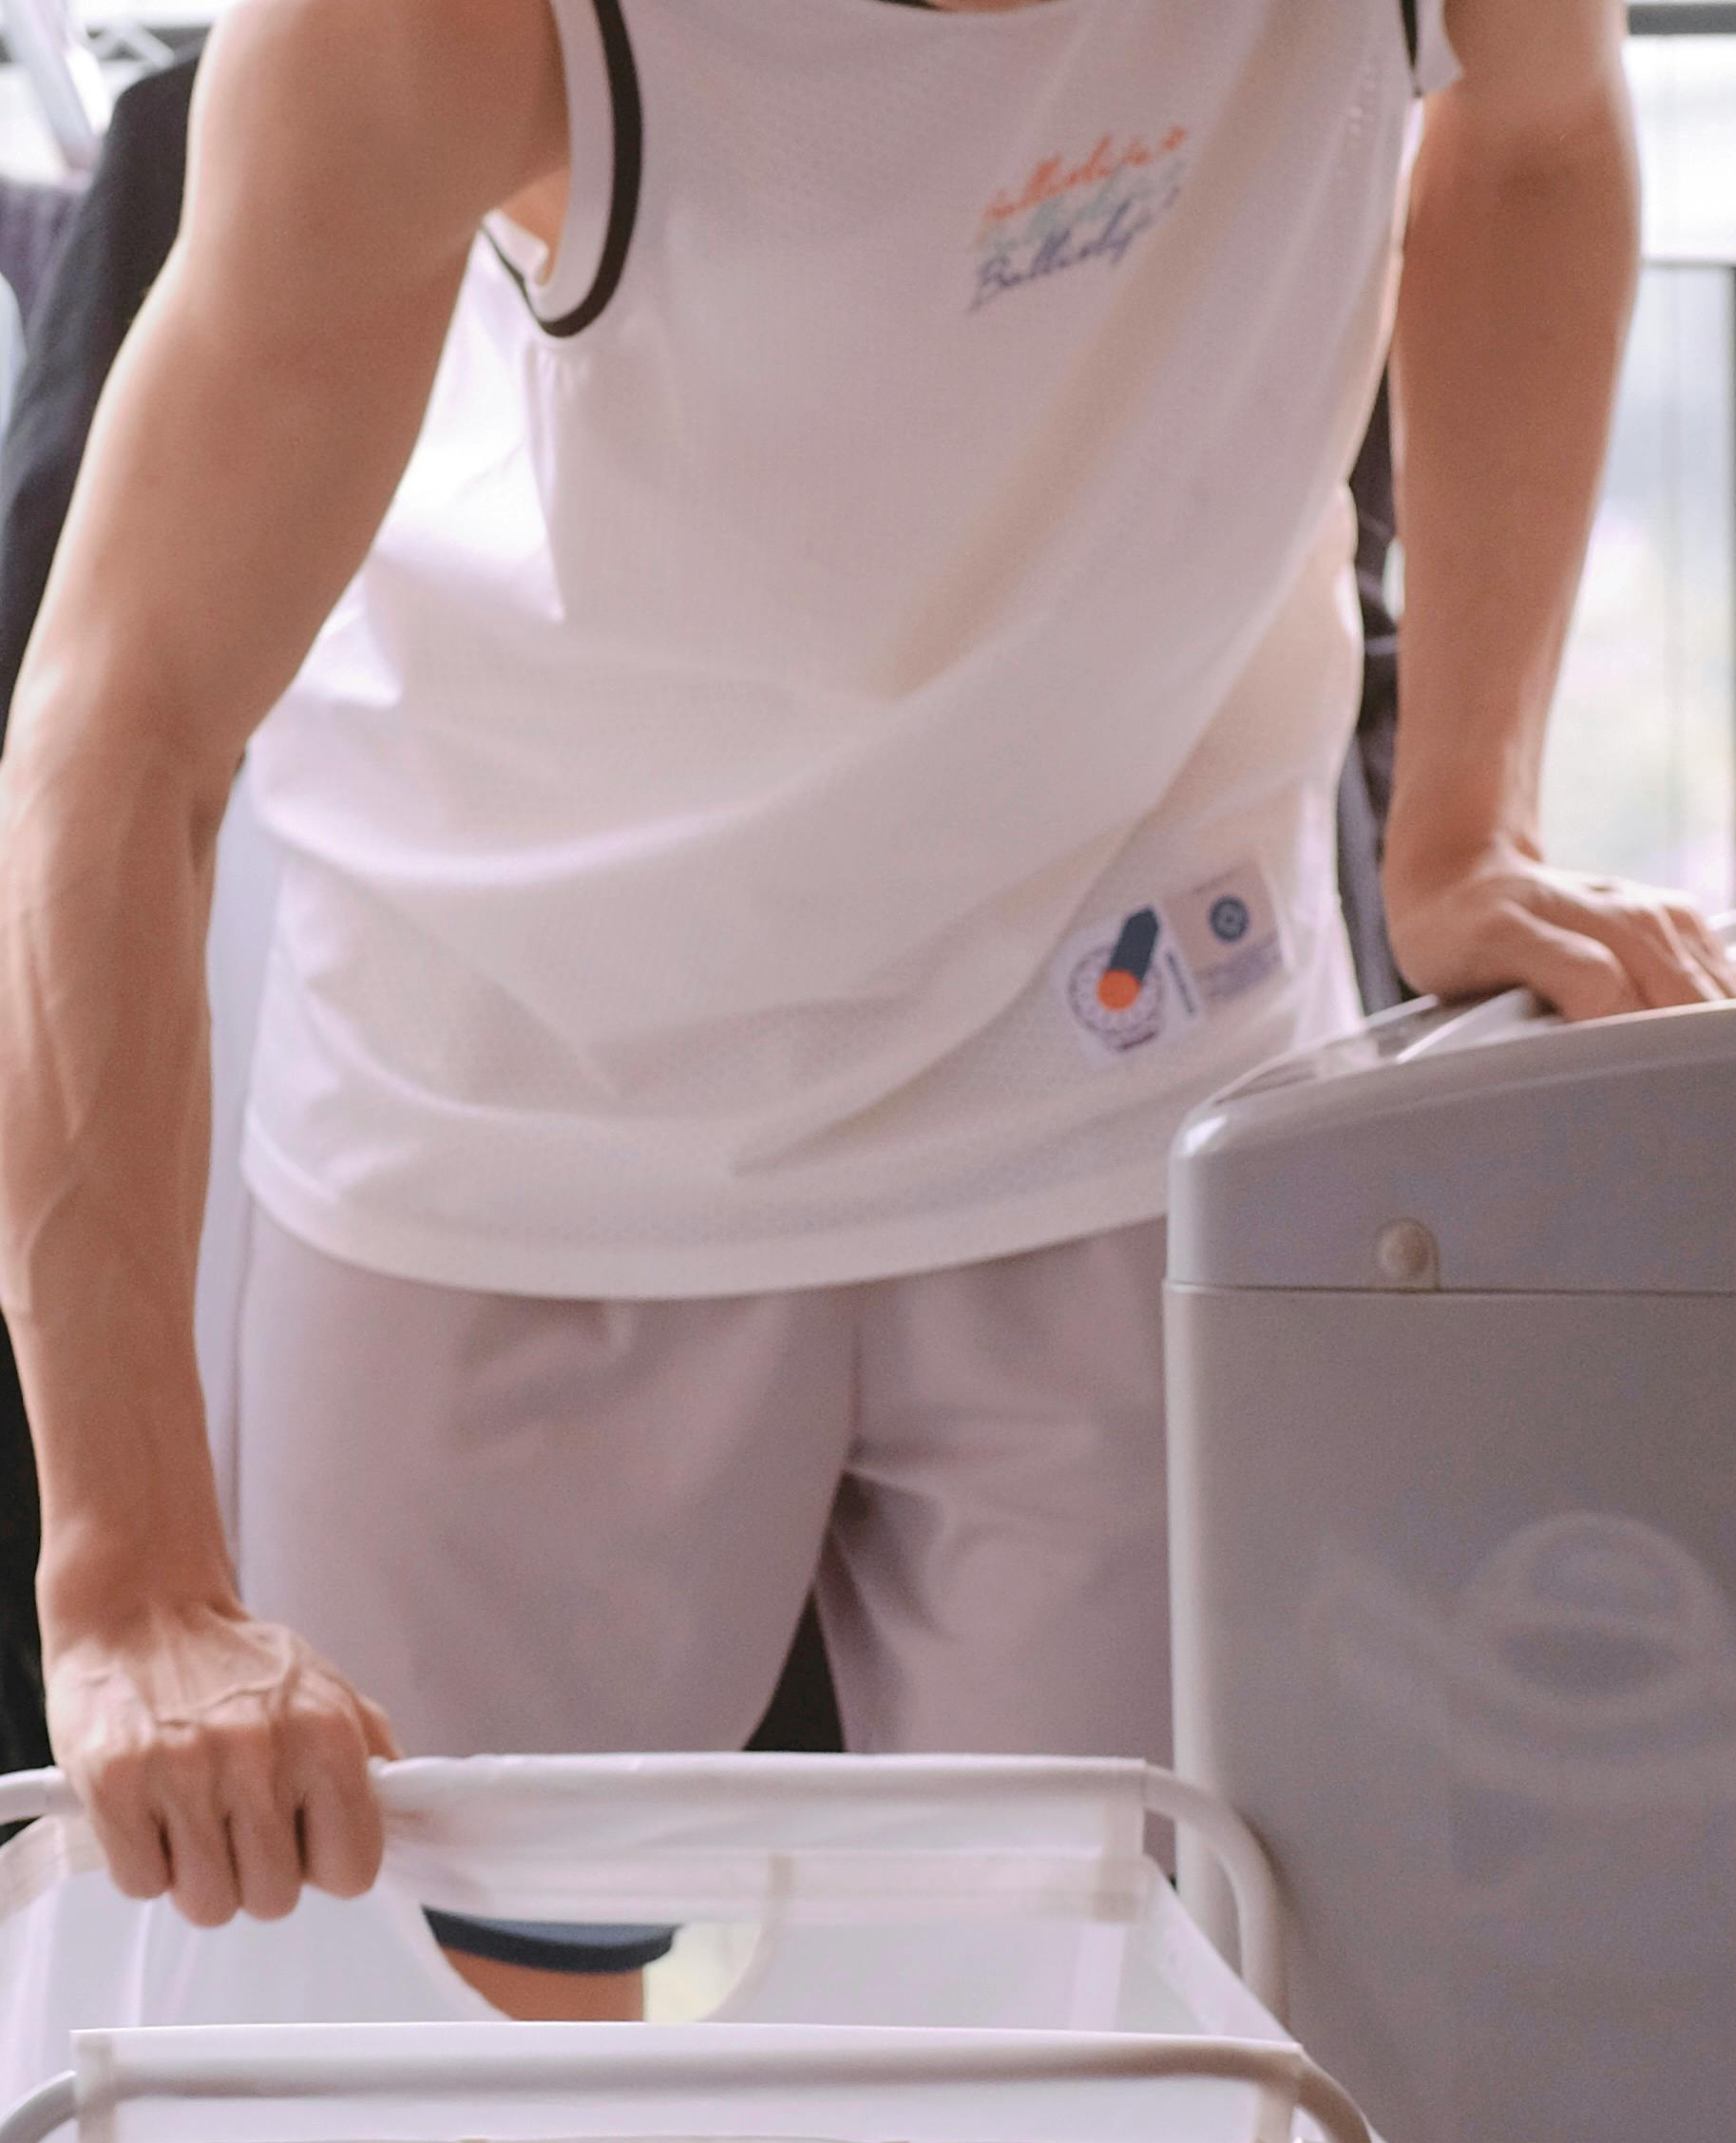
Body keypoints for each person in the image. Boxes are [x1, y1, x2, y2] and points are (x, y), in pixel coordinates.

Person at [0, 0, 1728, 2018]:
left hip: (1129, 1045)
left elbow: (1531, 135)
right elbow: (118, 735)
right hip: (531, 1098)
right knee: (463, 2080)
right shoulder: (427, 27)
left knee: (1117, 2095)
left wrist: (1458, 818)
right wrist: (130, 1582)